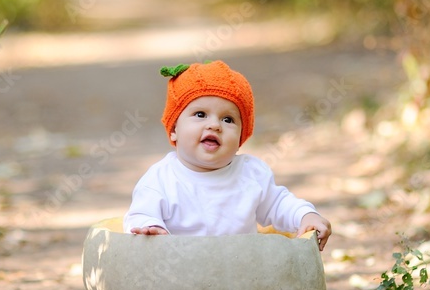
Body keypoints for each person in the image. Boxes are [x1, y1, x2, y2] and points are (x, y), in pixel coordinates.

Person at [123, 60, 332, 250]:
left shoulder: (251, 173)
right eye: (200, 114)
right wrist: (151, 228)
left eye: (228, 119)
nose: (214, 125)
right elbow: (140, 214)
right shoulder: (160, 179)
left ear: (241, 137)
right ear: (174, 130)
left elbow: (279, 204)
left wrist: (305, 215)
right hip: (180, 271)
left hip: (240, 271)